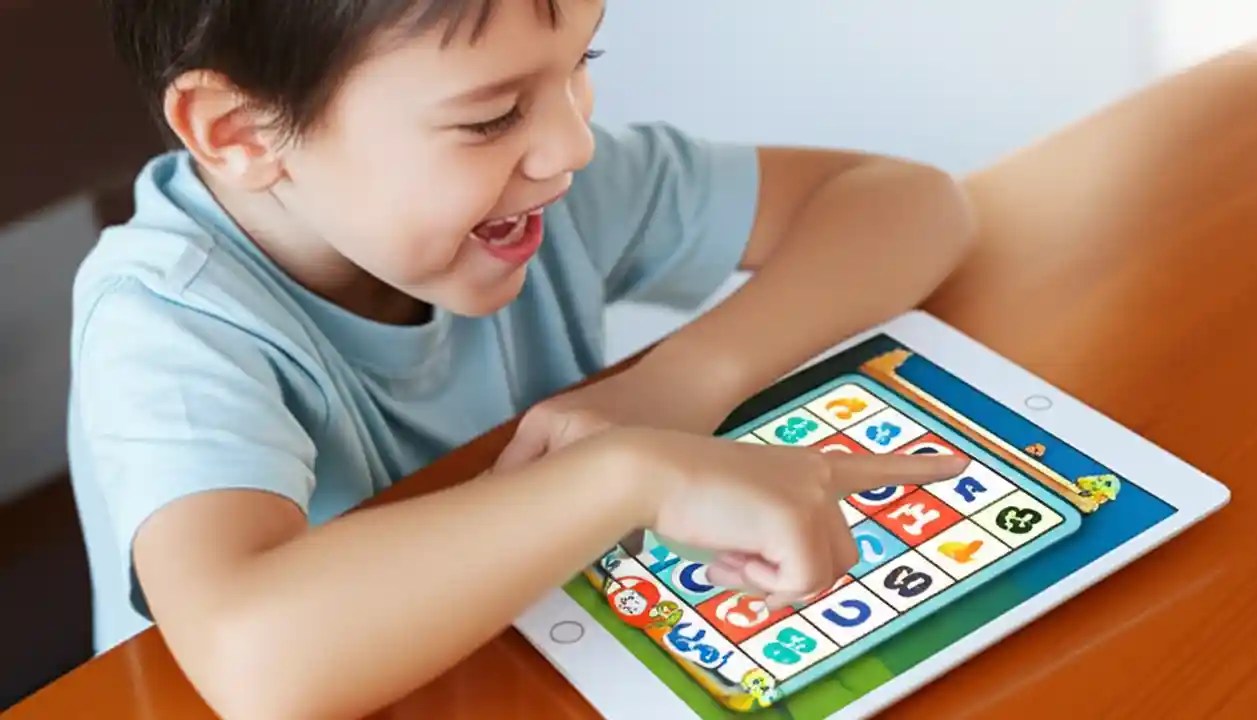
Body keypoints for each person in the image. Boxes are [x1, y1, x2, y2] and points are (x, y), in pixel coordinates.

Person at [70, 1, 975, 717]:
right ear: (239, 132)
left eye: (585, 61)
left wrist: (683, 381)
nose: (571, 145)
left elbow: (905, 202)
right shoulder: (164, 323)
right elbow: (257, 661)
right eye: (492, 115)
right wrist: (634, 475)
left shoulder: (537, 192)